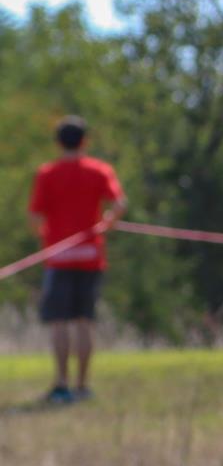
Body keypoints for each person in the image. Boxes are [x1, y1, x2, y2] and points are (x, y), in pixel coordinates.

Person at [27, 116, 127, 405]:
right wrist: (108, 223)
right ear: (85, 141)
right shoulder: (99, 170)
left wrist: (45, 237)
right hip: (91, 256)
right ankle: (82, 386)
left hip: (58, 258)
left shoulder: (47, 173)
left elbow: (35, 217)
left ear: (58, 142)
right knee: (84, 322)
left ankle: (61, 385)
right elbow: (119, 204)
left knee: (59, 322)